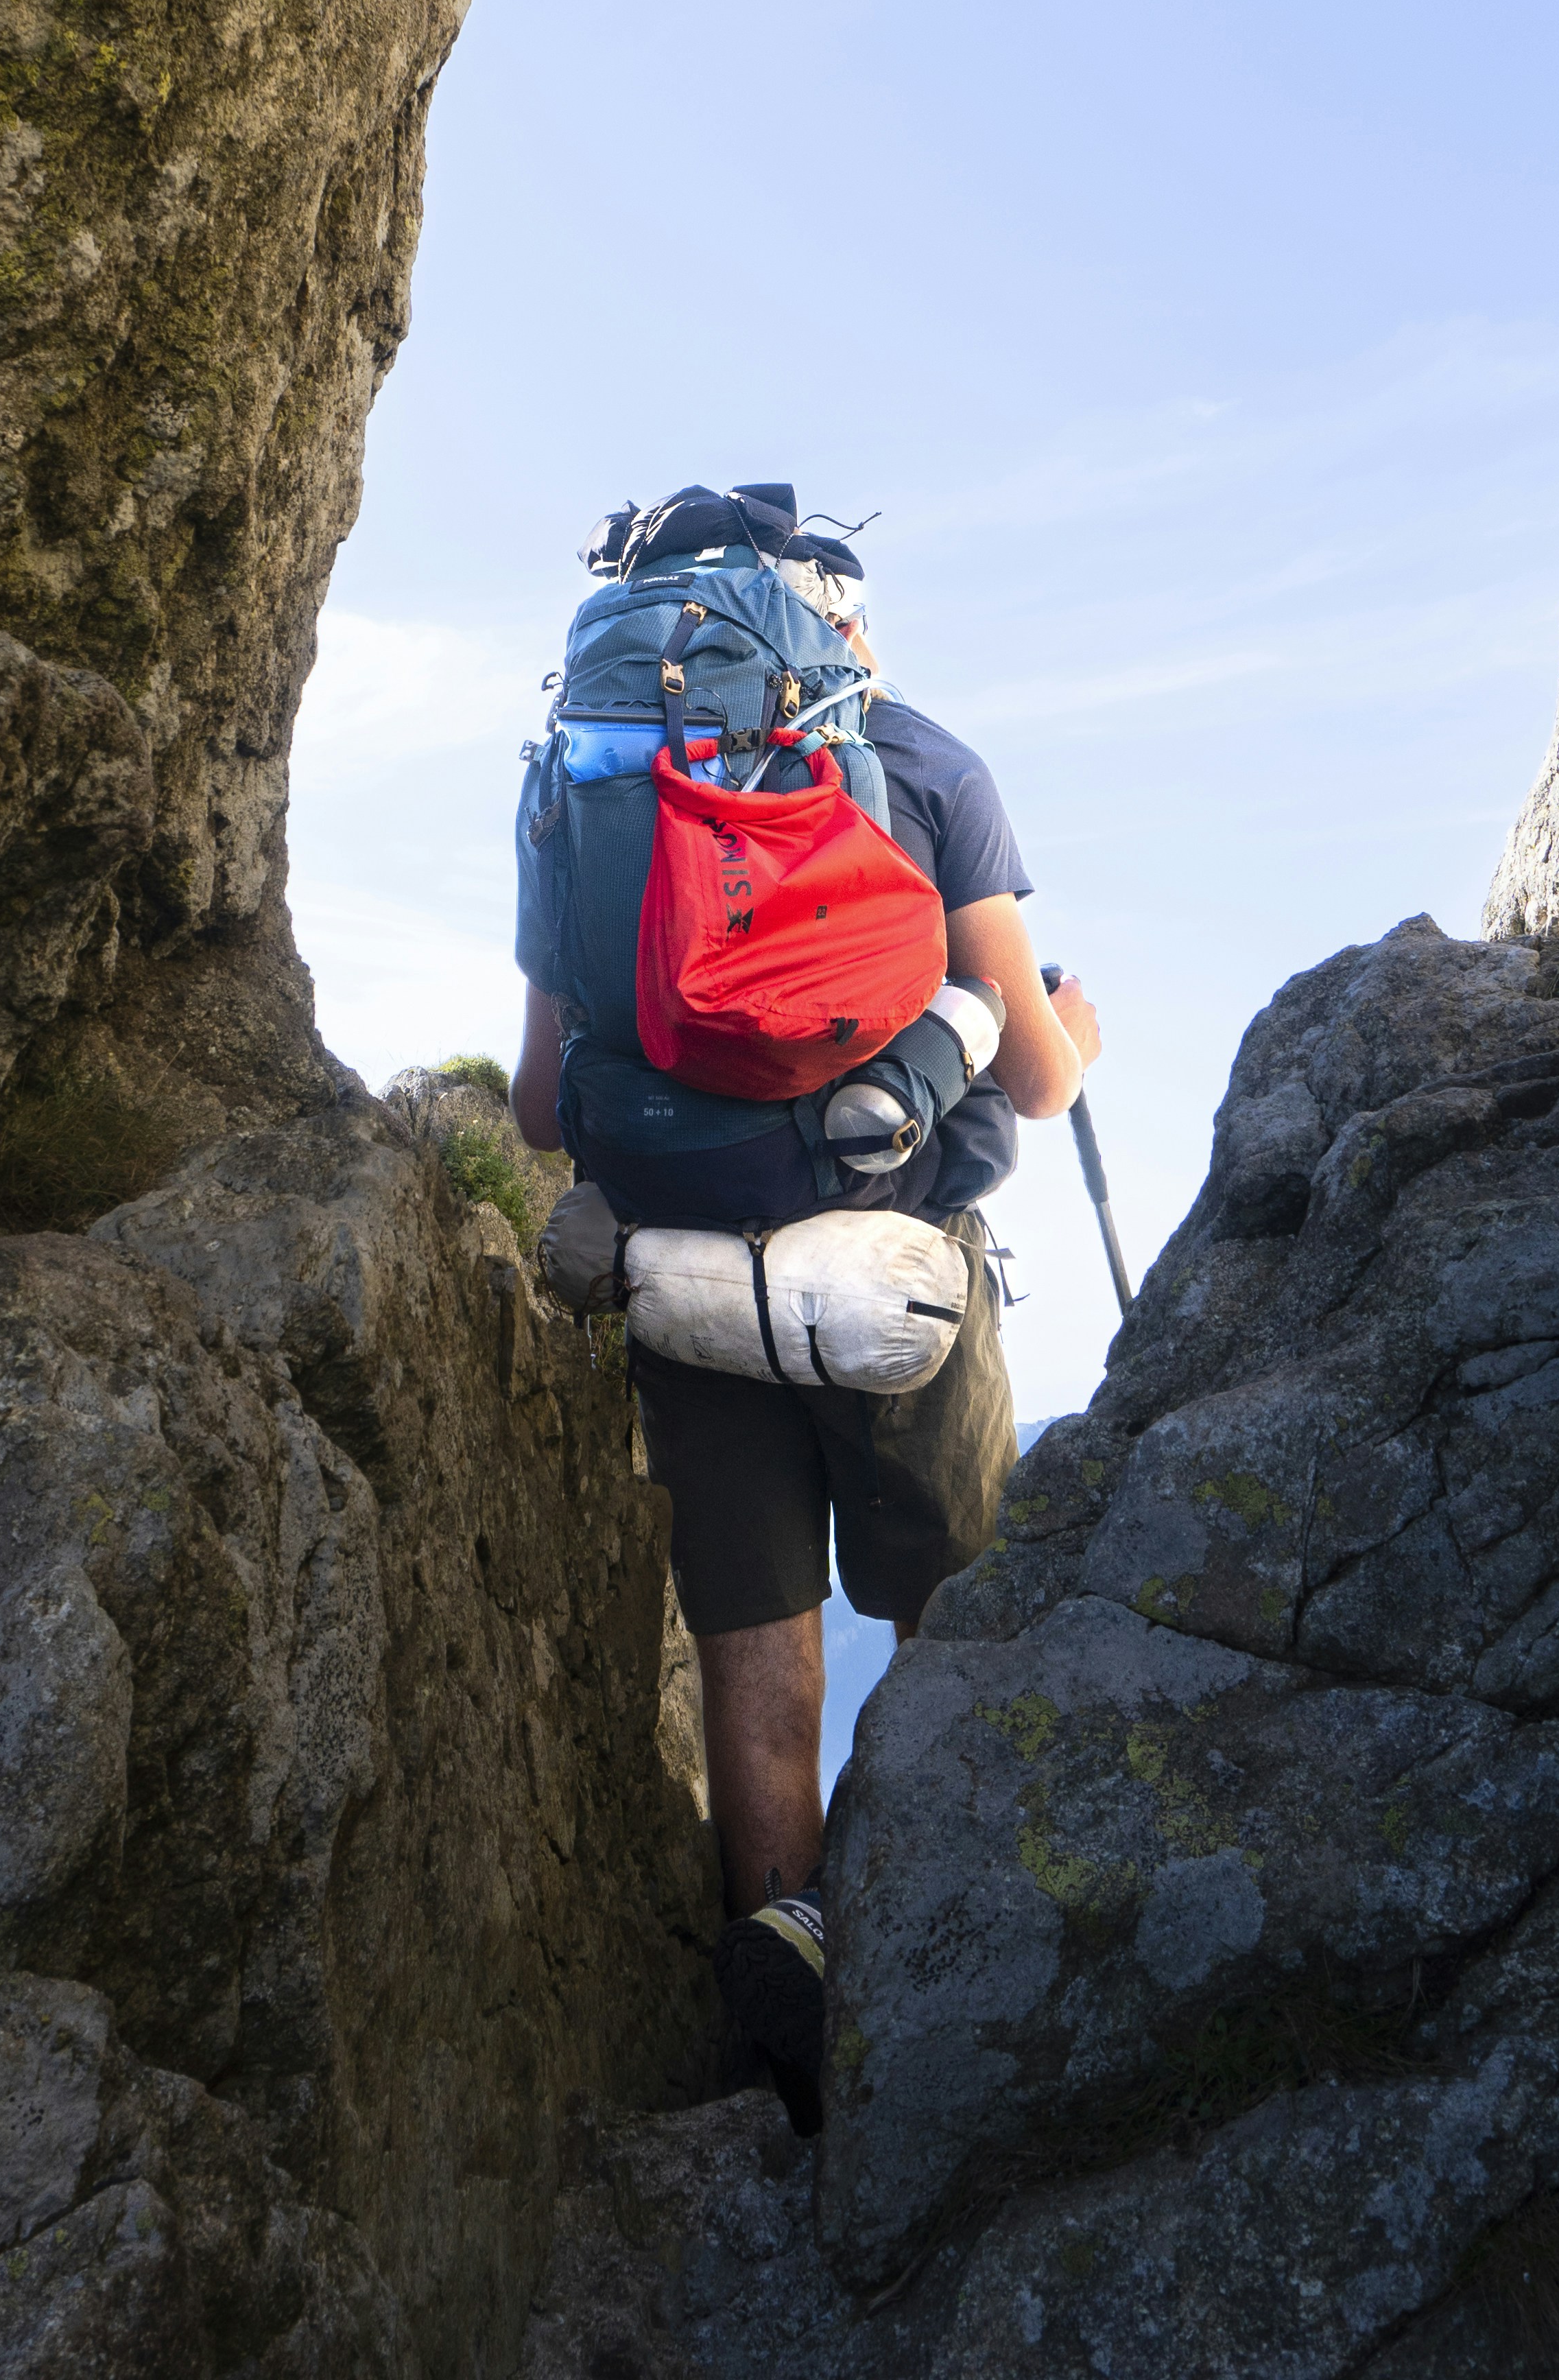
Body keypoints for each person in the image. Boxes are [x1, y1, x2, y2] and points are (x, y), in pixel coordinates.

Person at [508, 519, 1104, 2124]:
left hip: (681, 1280)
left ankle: (784, 2036)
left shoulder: (579, 780)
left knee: (755, 1655)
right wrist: (1070, 1020)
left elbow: (537, 1107)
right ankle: (946, 1967)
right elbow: (1037, 1077)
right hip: (896, 1271)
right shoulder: (918, 757)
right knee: (942, 1626)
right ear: (837, 620)